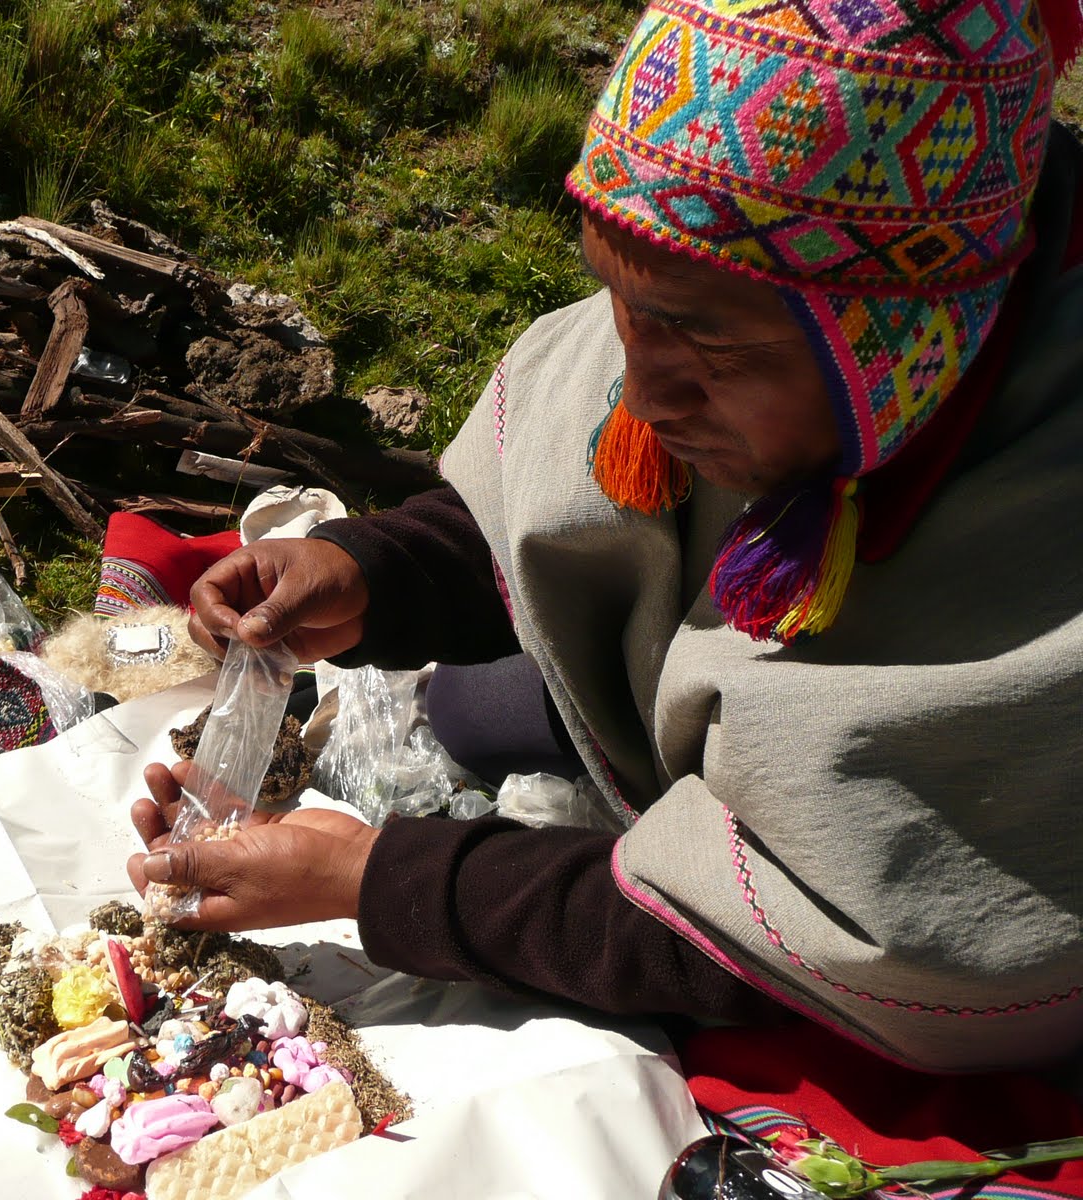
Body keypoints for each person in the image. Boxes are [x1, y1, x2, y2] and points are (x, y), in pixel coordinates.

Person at [128, 0, 1083, 1073]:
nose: (639, 391)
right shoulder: (736, 275)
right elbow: (553, 499)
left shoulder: (1044, 540)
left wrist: (383, 882)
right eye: (621, 305)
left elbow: (845, 941)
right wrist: (371, 571)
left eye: (705, 350)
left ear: (905, 348)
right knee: (463, 708)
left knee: (498, 730)